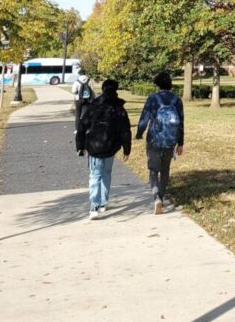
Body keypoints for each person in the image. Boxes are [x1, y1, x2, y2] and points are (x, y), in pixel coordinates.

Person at [75, 78, 132, 219]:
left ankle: (94, 205)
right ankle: (103, 202)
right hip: (111, 146)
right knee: (107, 173)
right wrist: (126, 148)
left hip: (94, 146)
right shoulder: (119, 108)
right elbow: (125, 130)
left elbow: (82, 126)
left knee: (95, 175)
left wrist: (80, 146)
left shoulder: (94, 106)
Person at [135, 70, 185, 214]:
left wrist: (139, 133)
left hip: (154, 140)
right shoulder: (177, 100)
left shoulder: (152, 99)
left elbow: (144, 119)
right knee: (165, 170)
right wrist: (180, 143)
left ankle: (156, 196)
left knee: (153, 170)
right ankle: (161, 198)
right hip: (170, 140)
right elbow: (181, 123)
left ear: (157, 84)